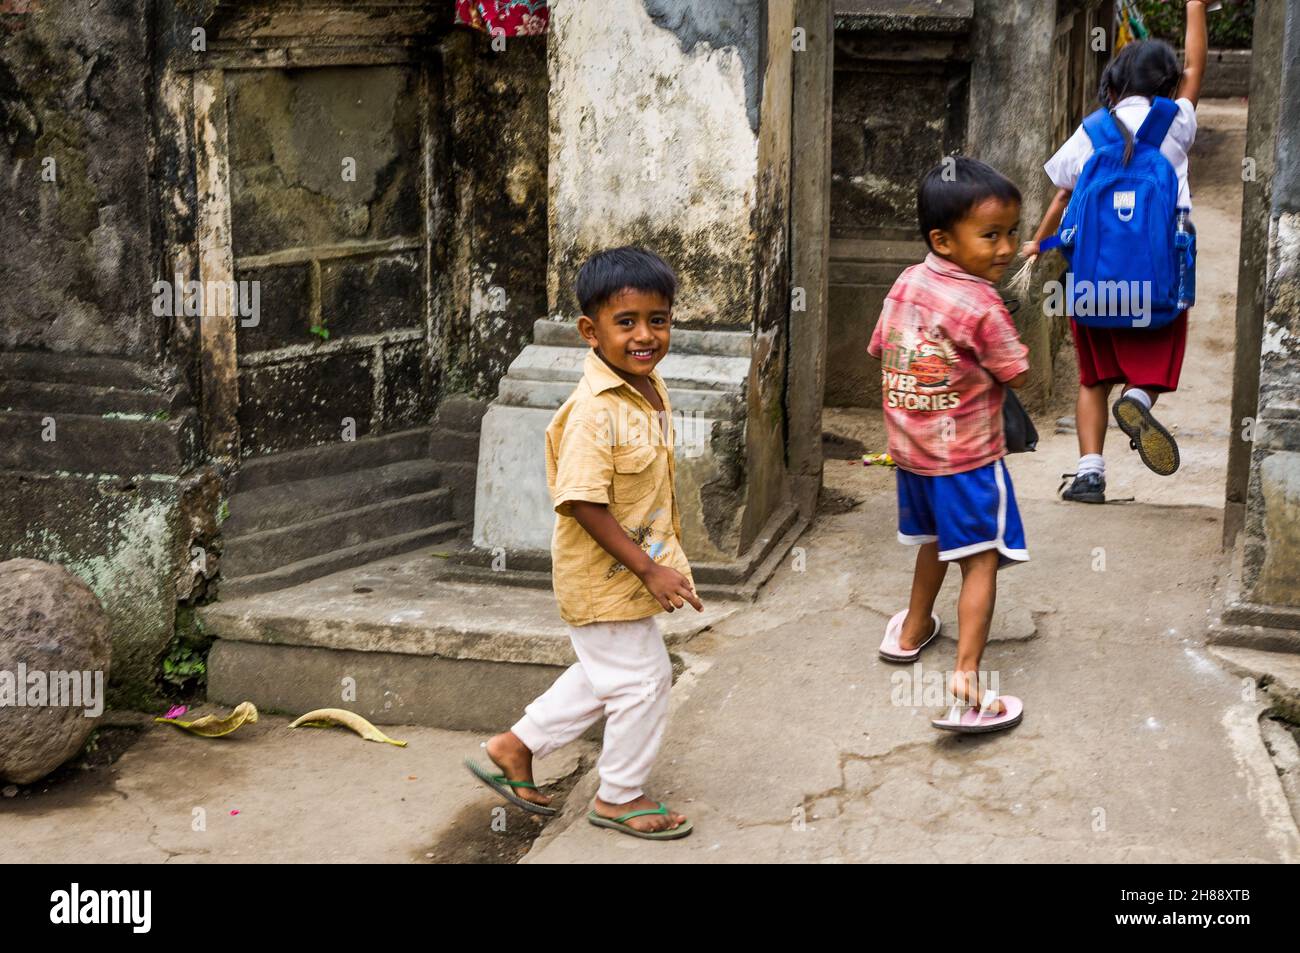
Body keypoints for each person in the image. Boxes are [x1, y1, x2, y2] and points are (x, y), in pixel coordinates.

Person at [465, 246, 701, 839]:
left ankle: (515, 746)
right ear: (590, 332)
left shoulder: (646, 385)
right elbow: (580, 502)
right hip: (604, 578)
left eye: (659, 319)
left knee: (608, 674)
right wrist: (649, 569)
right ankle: (620, 795)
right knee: (645, 680)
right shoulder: (595, 412)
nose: (646, 335)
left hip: (626, 575)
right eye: (627, 323)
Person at [869, 157, 1030, 734]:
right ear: (944, 238)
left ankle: (911, 632)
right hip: (967, 461)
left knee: (934, 541)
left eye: (1013, 232)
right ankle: (966, 681)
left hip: (911, 453)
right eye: (991, 235)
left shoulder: (906, 283)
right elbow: (1017, 372)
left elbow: (880, 349)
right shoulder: (984, 305)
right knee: (981, 560)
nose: (1007, 247)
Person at [1023, 1, 1208, 503]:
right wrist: (1195, 8)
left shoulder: (1092, 131)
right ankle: (1141, 398)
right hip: (1158, 280)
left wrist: (1036, 244)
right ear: (1168, 84)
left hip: (1095, 283)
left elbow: (1062, 194)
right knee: (1154, 359)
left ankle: (1089, 474)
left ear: (1114, 84)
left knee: (1092, 378)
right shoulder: (1176, 123)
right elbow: (1196, 68)